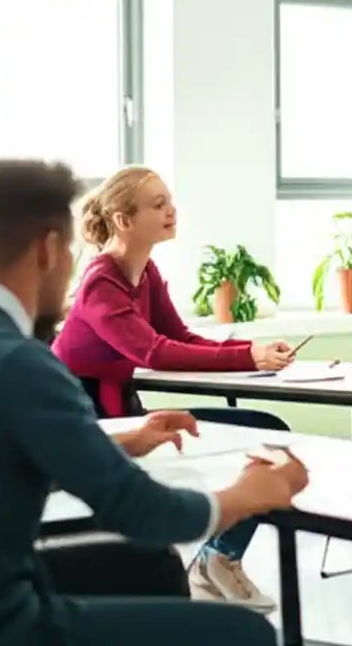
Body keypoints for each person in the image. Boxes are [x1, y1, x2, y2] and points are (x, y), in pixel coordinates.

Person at [0, 159, 306, 646]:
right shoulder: (20, 363)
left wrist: (123, 443)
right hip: (1, 628)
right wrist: (245, 496)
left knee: (153, 574)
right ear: (49, 249)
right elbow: (139, 510)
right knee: (246, 632)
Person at [51, 166, 291, 612]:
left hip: (123, 407)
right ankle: (201, 563)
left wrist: (252, 349)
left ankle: (218, 558)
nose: (171, 211)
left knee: (270, 435)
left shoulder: (146, 273)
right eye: (158, 204)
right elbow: (155, 353)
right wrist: (246, 358)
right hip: (90, 420)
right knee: (261, 437)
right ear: (124, 220)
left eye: (169, 201)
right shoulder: (100, 281)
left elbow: (181, 338)